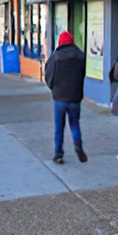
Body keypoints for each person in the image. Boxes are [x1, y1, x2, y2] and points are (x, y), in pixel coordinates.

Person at [44, 31, 87, 164]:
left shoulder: (56, 56)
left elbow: (48, 75)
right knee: (74, 124)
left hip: (59, 98)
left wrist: (54, 88)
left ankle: (58, 154)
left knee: (59, 127)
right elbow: (82, 75)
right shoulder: (80, 55)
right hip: (74, 98)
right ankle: (78, 144)